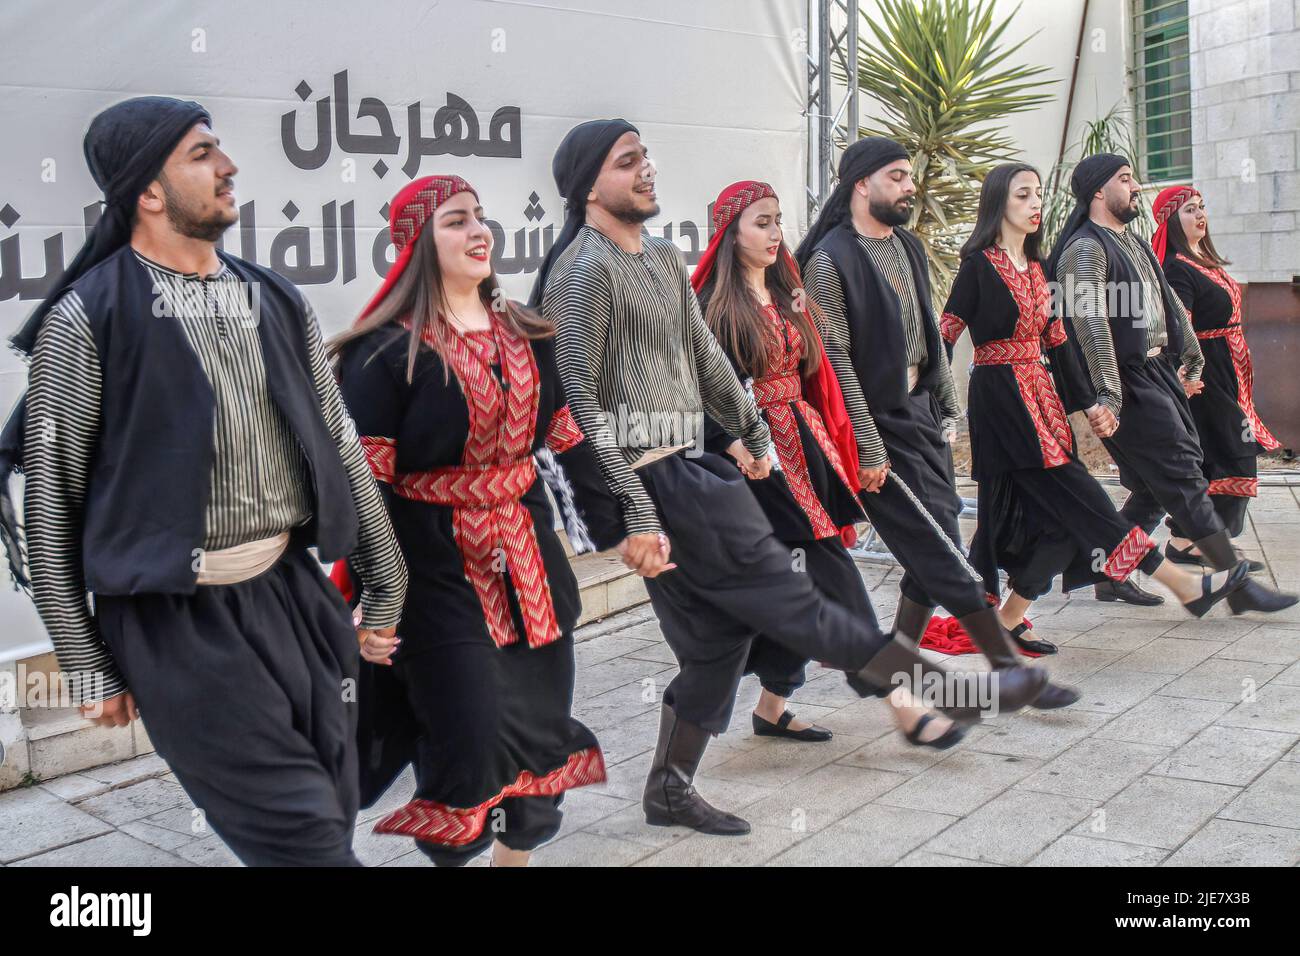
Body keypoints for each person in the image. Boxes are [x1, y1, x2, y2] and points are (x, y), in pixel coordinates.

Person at [535, 120, 1047, 836]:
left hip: (700, 466)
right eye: (628, 162)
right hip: (654, 481)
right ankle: (926, 685)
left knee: (716, 642)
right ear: (590, 185)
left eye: (647, 155)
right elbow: (578, 401)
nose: (647, 168)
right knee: (786, 589)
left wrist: (746, 430)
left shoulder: (655, 255)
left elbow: (705, 357)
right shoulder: (583, 272)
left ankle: (669, 787)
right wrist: (635, 514)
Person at [2, 97, 408, 866]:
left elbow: (340, 446)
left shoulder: (276, 298)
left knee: (334, 802)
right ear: (147, 192)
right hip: (175, 623)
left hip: (294, 593)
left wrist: (386, 582)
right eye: (201, 154)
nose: (228, 167)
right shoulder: (87, 319)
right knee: (303, 841)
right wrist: (86, 661)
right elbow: (51, 500)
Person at [330, 174, 627, 867]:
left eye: (480, 217)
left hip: (530, 565)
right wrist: (374, 599)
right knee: (469, 736)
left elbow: (568, 436)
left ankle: (515, 858)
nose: (478, 231)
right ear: (415, 249)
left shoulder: (530, 334)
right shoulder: (381, 355)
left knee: (538, 731)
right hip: (433, 573)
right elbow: (365, 492)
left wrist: (626, 524)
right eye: (457, 221)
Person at [795, 137, 1076, 706]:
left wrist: (946, 404)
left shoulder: (908, 246)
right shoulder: (829, 261)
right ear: (861, 185)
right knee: (941, 539)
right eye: (896, 177)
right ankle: (1007, 669)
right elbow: (835, 359)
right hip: (872, 425)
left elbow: (931, 334)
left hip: (919, 413)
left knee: (938, 526)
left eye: (907, 176)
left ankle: (895, 653)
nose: (908, 186)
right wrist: (869, 447)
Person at [695, 179, 961, 749]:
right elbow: (697, 392)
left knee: (797, 581)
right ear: (729, 231)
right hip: (761, 462)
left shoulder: (787, 292)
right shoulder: (713, 308)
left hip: (805, 447)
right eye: (761, 222)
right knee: (830, 571)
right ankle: (903, 703)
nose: (774, 233)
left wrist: (850, 443)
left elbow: (824, 373)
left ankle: (771, 706)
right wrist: (737, 444)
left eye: (777, 221)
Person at [942, 164, 1250, 643]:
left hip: (1041, 401)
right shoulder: (979, 266)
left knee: (1061, 527)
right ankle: (1183, 583)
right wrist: (940, 407)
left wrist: (1092, 404)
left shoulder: (1039, 269)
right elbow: (946, 334)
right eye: (1023, 195)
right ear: (998, 205)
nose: (1036, 204)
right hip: (1001, 404)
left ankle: (1004, 623)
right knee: (1086, 502)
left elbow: (1061, 343)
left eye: (1039, 194)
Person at [1047, 154, 1295, 615]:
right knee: (1182, 473)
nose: (1136, 187)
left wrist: (1192, 360)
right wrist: (1109, 394)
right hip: (1125, 380)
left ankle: (1105, 572)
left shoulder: (1133, 242)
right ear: (1098, 192)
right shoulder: (1084, 248)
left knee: (1148, 485)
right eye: (1125, 180)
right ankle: (1235, 586)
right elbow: (1089, 323)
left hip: (1156, 373)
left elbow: (1170, 304)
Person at [1152, 184, 1281, 571]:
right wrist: (1186, 375)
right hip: (1206, 375)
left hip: (1231, 372)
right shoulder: (1175, 268)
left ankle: (1184, 541)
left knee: (1214, 455)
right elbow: (1178, 328)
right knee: (1233, 452)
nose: (1200, 215)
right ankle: (1197, 541)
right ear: (1172, 220)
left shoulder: (1202, 261)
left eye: (1202, 207)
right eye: (1190, 210)